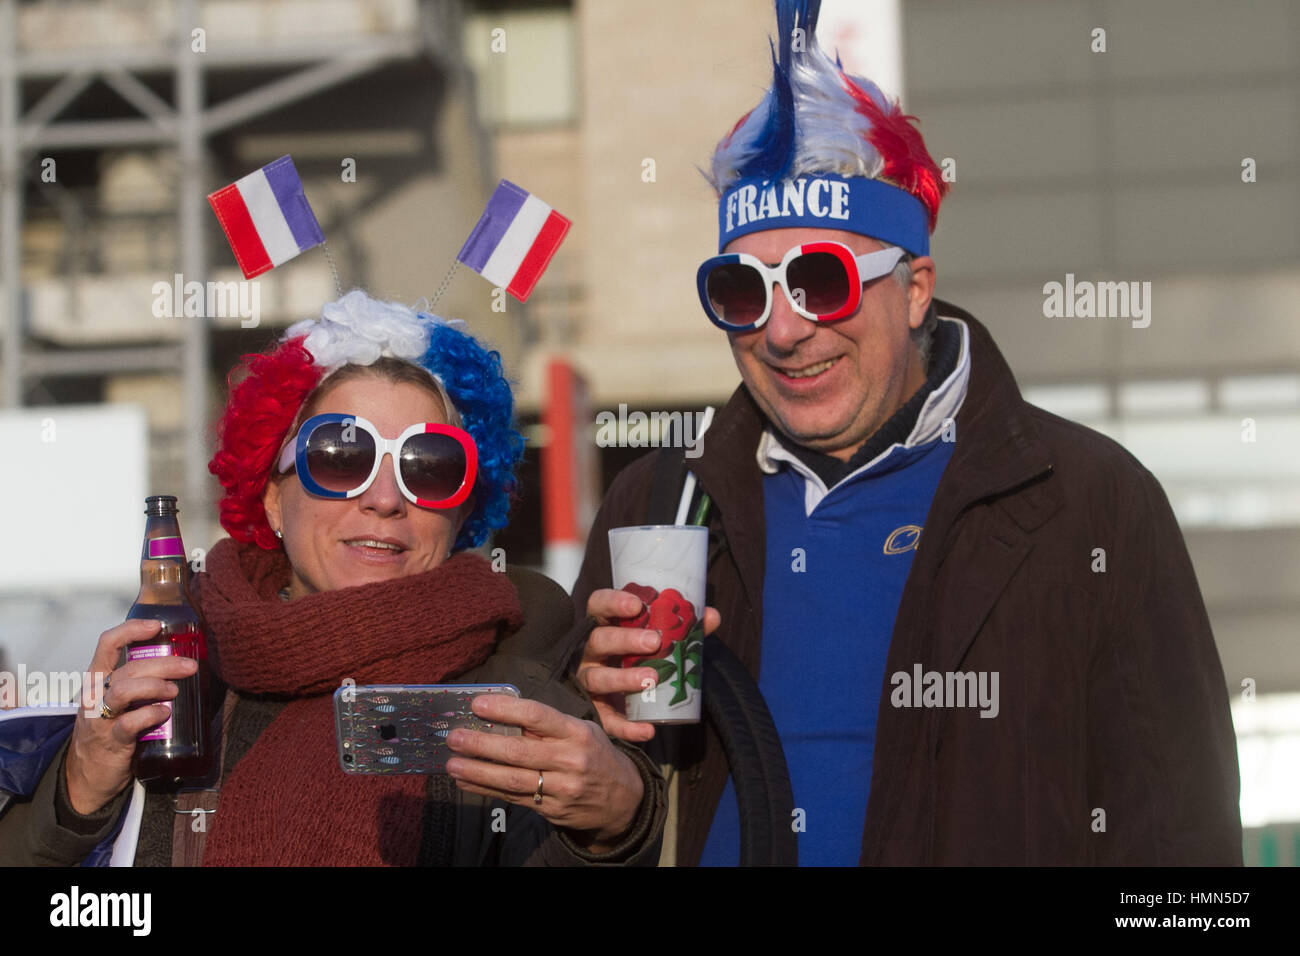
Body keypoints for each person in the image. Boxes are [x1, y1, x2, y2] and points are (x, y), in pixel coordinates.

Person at [571, 0, 1242, 865]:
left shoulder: (1089, 500)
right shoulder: (661, 502)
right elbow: (589, 828)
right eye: (743, 291)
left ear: (915, 287)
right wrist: (598, 775)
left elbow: (1181, 842)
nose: (783, 331)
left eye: (821, 281)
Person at [0, 290, 664, 866]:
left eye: (428, 465)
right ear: (270, 496)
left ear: (462, 508)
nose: (384, 498)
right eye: (340, 455)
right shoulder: (175, 672)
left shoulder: (530, 675)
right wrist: (77, 794)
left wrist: (616, 821)